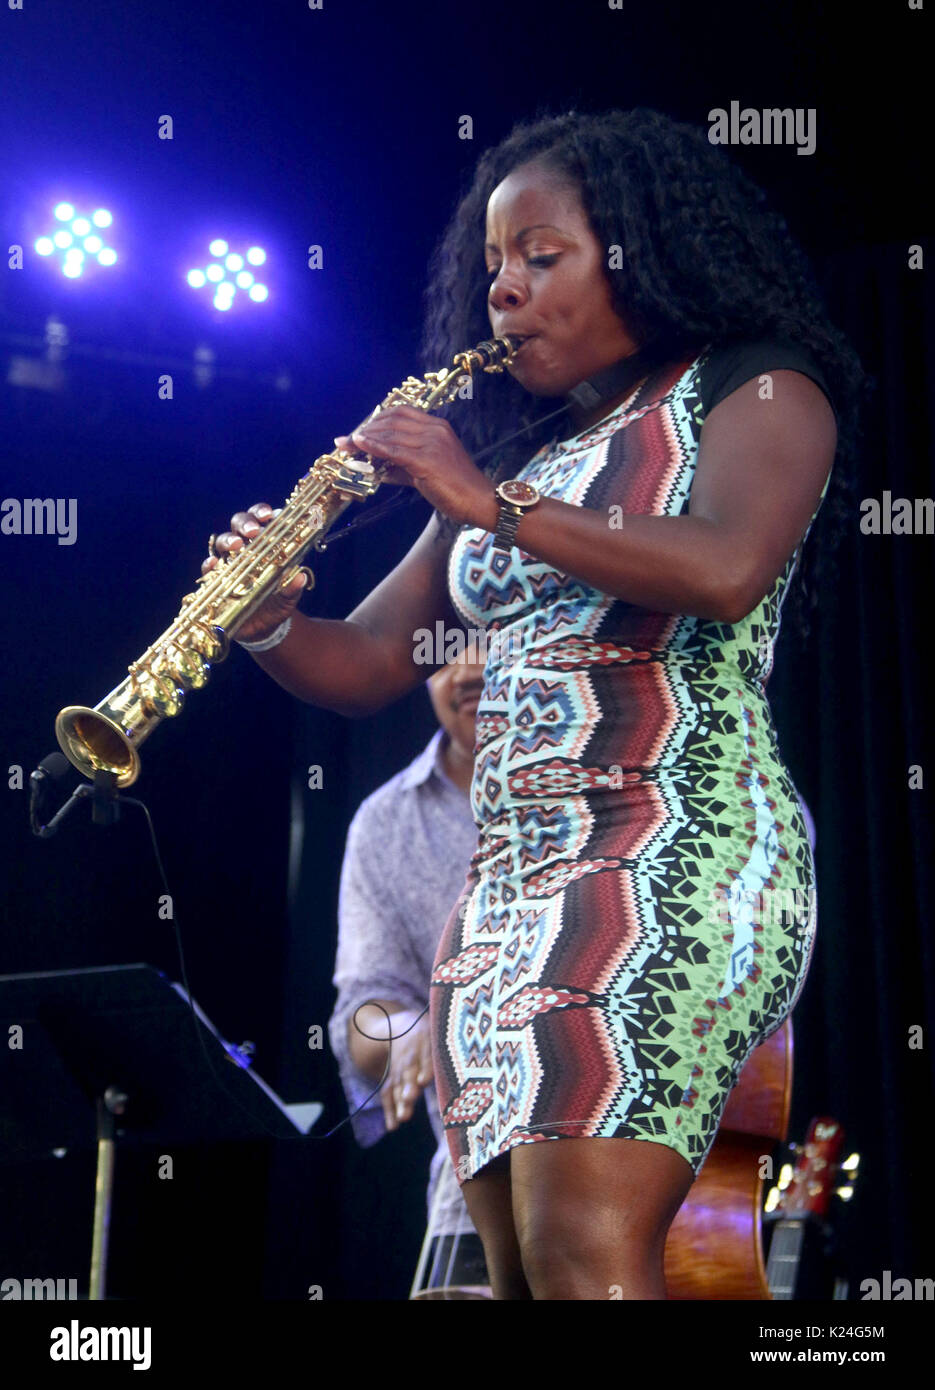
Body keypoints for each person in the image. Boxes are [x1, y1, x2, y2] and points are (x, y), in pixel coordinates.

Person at [204, 108, 865, 1299]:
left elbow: (724, 565)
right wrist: (262, 621)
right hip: (503, 891)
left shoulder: (757, 386)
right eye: (493, 263)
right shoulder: (527, 457)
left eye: (539, 255)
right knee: (518, 1278)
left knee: (580, 1251)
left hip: (670, 843)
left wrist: (483, 502)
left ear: (636, 251)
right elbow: (367, 662)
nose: (500, 290)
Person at [327, 654, 485, 1267]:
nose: (464, 670)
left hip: (652, 1181)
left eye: (486, 637)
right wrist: (410, 1029)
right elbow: (360, 1016)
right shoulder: (386, 821)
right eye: (443, 654)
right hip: (473, 1191)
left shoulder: (614, 779)